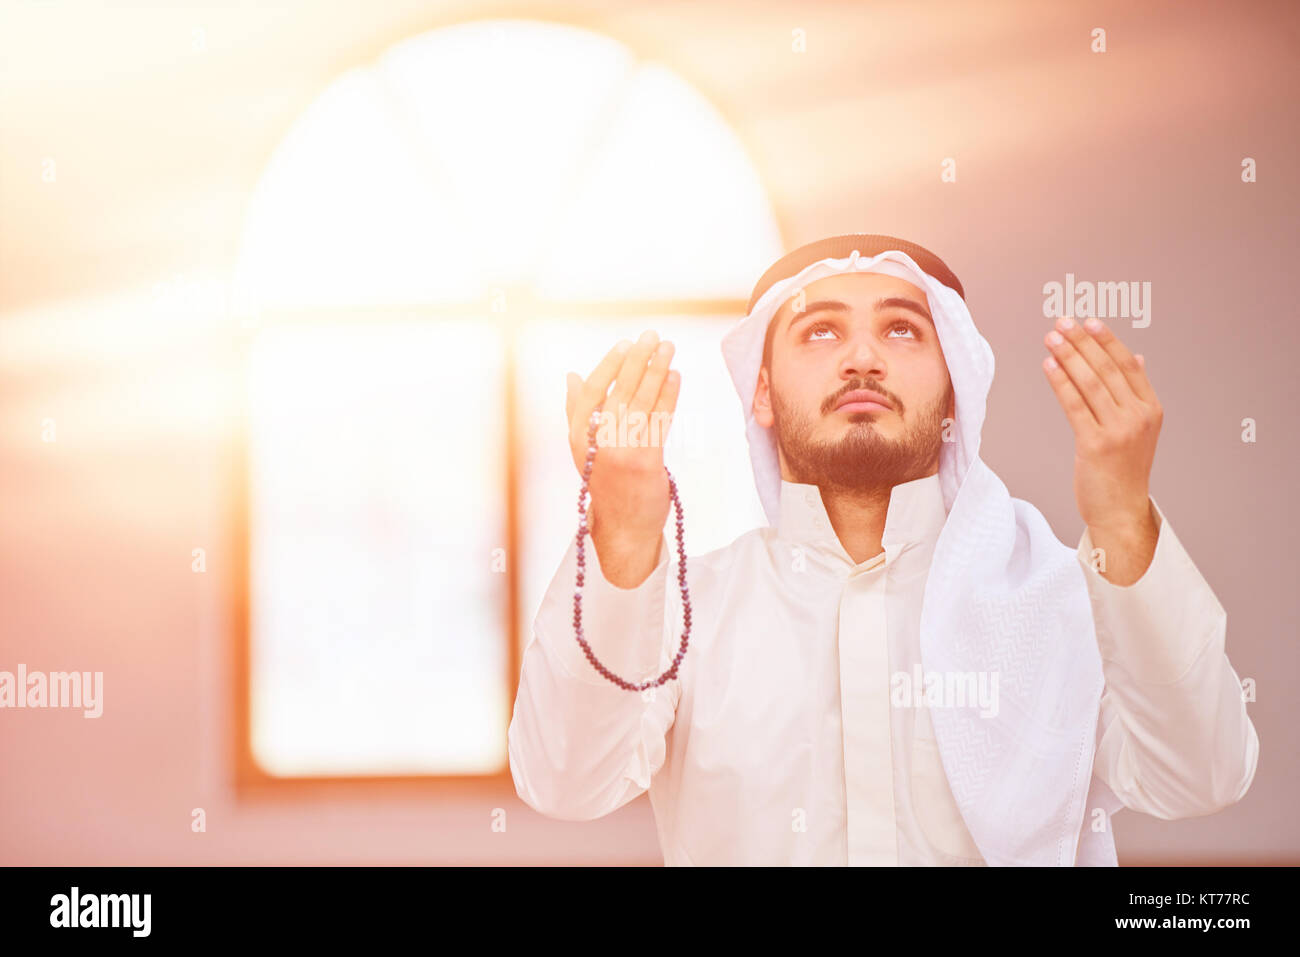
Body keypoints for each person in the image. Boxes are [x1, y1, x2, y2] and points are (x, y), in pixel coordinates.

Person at [507, 234, 1259, 865]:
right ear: (761, 394)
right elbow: (568, 781)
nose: (862, 356)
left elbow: (1199, 775)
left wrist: (1124, 517)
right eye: (821, 330)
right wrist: (627, 527)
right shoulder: (689, 611)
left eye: (901, 329)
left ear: (954, 386)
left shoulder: (1064, 595)